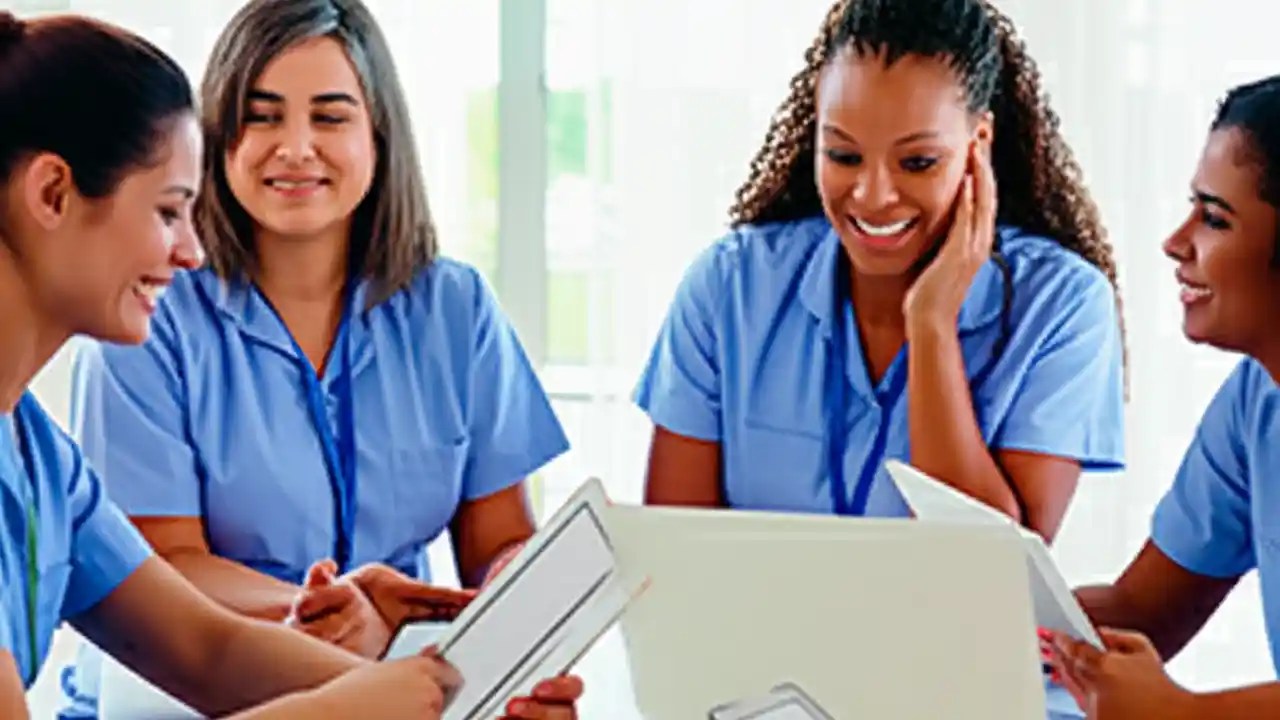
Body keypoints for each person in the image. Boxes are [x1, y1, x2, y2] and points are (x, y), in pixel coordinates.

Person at [59, 0, 579, 717]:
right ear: (216, 137)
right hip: (178, 698)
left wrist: (522, 615)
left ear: (378, 135)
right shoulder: (148, 308)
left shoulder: (455, 309)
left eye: (330, 117)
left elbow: (500, 540)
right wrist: (325, 611)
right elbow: (160, 567)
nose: (296, 148)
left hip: (396, 686)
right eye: (262, 117)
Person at [0, 11, 467, 720]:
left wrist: (457, 697)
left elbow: (208, 649)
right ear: (52, 194)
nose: (191, 252)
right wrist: (346, 709)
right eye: (168, 212)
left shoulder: (35, 452)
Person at [635, 0, 1125, 543]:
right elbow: (674, 553)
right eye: (843, 156)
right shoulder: (729, 288)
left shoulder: (1062, 306)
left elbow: (995, 566)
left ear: (977, 146)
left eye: (917, 162)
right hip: (742, 605)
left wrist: (931, 324)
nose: (873, 196)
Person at [1048, 75, 1280, 719]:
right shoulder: (1255, 406)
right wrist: (969, 620)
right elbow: (1140, 611)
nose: (1177, 242)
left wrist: (1184, 714)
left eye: (1215, 218)